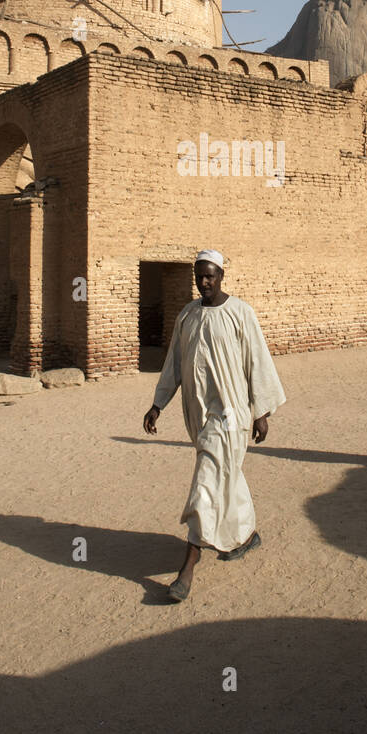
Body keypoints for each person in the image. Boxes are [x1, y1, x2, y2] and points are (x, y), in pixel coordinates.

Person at [142, 250, 286, 601]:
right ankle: (247, 534)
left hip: (231, 415)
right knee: (227, 474)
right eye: (199, 276)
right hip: (200, 416)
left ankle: (187, 567)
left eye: (210, 276)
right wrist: (158, 404)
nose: (204, 282)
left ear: (221, 275)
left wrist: (261, 412)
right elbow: (174, 363)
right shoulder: (188, 316)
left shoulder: (240, 313)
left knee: (207, 480)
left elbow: (258, 360)